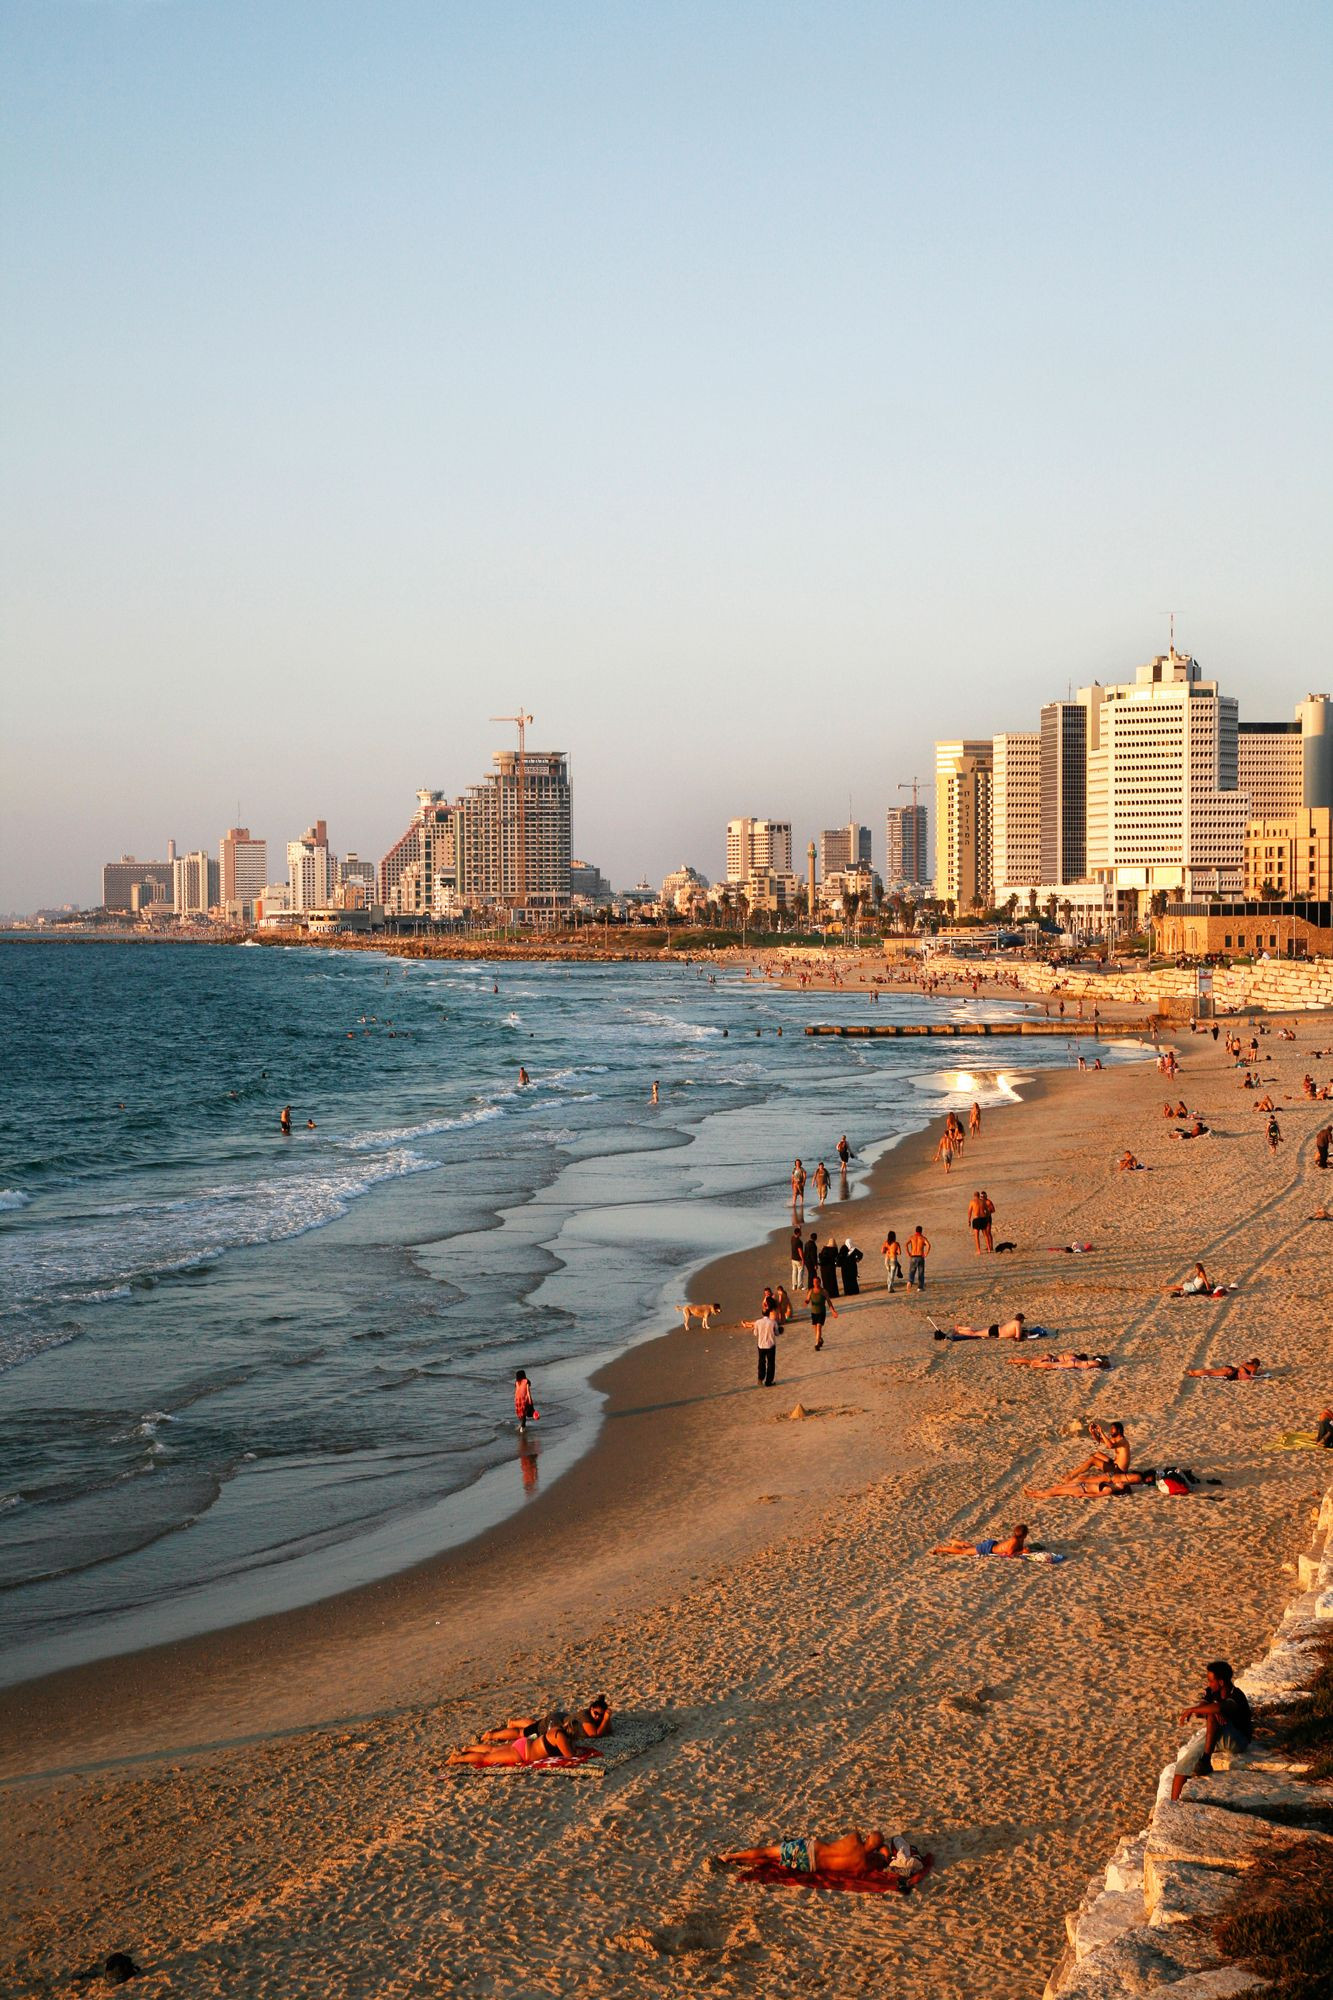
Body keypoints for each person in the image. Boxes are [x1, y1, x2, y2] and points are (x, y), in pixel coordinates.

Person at [1170, 1661, 1253, 1799]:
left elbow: (1218, 1708)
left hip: (1238, 1740)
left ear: (1221, 1682)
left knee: (1212, 1717)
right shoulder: (1211, 1692)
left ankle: (1206, 1760)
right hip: (1218, 1736)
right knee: (1184, 1763)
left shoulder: (1236, 1695)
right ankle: (1173, 1803)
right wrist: (1210, 1710)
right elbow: (1201, 1711)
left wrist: (1200, 1710)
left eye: (1211, 1681)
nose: (1209, 1684)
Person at [713, 1829, 913, 1879]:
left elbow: (864, 1840)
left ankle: (731, 1856)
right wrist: (883, 1850)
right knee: (773, 1859)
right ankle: (739, 1863)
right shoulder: (863, 1865)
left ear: (867, 1838)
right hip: (810, 1866)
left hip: (807, 1849)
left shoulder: (854, 1838)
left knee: (768, 1851)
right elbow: (883, 1857)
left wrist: (876, 1843)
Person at [448, 1718, 579, 1766]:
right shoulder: (560, 1736)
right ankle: (456, 1759)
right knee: (485, 1758)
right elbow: (570, 1756)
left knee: (493, 1750)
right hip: (522, 1753)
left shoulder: (557, 1729)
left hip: (523, 1743)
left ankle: (469, 1748)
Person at [932, 1523, 1029, 1556]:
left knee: (973, 1548)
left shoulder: (1019, 1539)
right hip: (989, 1549)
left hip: (992, 1545)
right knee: (963, 1552)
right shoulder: (1015, 1541)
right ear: (1023, 1534)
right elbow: (1009, 1554)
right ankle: (941, 1549)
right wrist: (1022, 1552)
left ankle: (956, 1542)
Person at [939, 1313, 1029, 1340]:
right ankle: (958, 1330)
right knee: (975, 1334)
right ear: (1021, 1319)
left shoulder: (1013, 1321)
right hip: (995, 1332)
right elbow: (1017, 1337)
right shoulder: (1018, 1324)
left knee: (976, 1332)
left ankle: (960, 1329)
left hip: (996, 1329)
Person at [753, 1305, 780, 1387]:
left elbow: (755, 1334)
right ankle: (768, 1381)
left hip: (761, 1345)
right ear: (769, 1313)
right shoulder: (773, 1322)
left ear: (762, 1314)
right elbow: (777, 1333)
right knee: (771, 1363)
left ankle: (760, 1379)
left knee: (761, 1362)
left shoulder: (757, 1322)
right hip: (771, 1345)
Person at [807, 1277, 838, 1350]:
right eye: (814, 1282)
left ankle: (817, 1344)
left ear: (820, 1282)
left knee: (819, 1327)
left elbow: (829, 1302)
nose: (815, 1283)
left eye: (817, 1282)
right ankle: (820, 1339)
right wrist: (806, 1302)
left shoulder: (824, 1291)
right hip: (814, 1312)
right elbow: (807, 1299)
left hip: (821, 1312)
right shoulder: (811, 1291)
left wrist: (833, 1311)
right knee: (815, 1329)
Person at [1008, 1351, 1109, 1370]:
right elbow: (1097, 1363)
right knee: (1035, 1364)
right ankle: (1014, 1361)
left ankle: (1014, 1360)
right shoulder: (1081, 1363)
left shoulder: (1072, 1356)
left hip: (1052, 1358)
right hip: (1055, 1364)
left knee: (1031, 1361)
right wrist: (1099, 1361)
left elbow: (1057, 1357)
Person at [1186, 1358, 1261, 1380]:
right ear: (1255, 1365)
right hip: (1231, 1372)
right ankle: (1193, 1373)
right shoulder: (1253, 1368)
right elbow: (1250, 1376)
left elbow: (1241, 1369)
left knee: (1211, 1371)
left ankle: (1193, 1372)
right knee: (1211, 1373)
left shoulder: (1246, 1364)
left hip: (1231, 1369)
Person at [905, 1225, 930, 1290]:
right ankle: (920, 1287)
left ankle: (910, 1281)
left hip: (913, 1256)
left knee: (912, 1271)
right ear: (921, 1231)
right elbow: (928, 1245)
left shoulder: (912, 1237)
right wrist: (926, 1253)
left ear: (915, 1230)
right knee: (921, 1272)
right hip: (920, 1256)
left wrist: (908, 1253)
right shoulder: (923, 1238)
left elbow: (906, 1244)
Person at [790, 1223, 807, 1292]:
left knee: (794, 1271)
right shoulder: (799, 1241)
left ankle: (794, 1285)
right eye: (800, 1232)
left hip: (793, 1258)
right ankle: (800, 1285)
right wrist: (803, 1259)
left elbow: (796, 1233)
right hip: (798, 1259)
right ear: (798, 1233)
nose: (801, 1233)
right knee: (800, 1272)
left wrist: (799, 1228)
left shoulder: (792, 1238)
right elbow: (800, 1251)